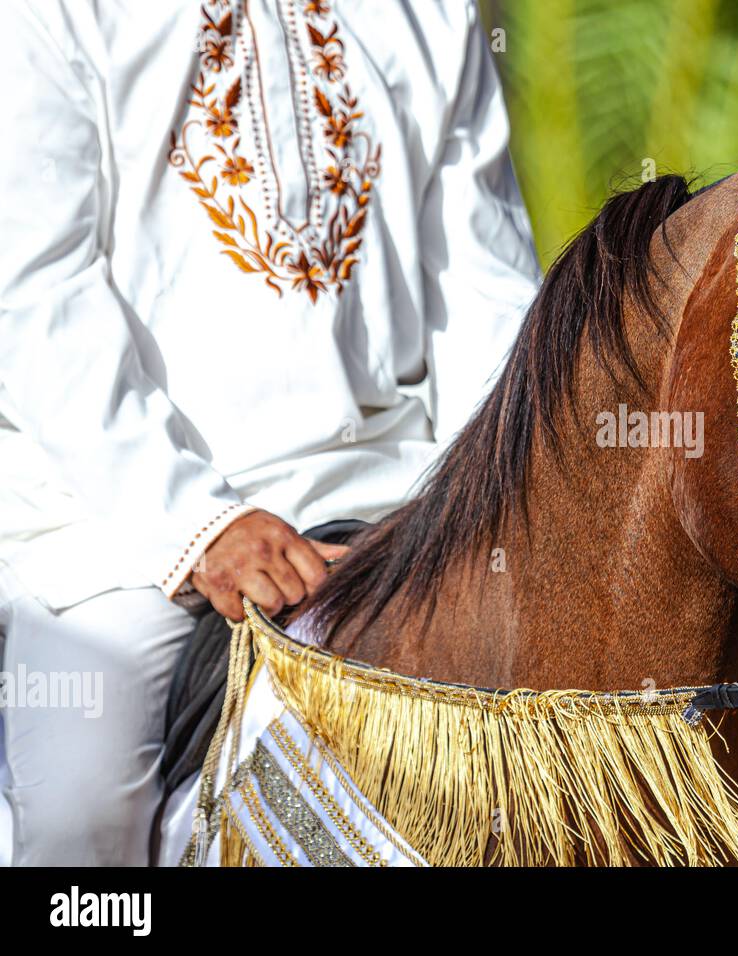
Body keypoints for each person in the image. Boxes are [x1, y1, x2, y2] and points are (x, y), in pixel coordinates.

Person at [0, 0, 540, 865]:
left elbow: (489, 300)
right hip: (122, 531)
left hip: (393, 503)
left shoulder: (434, 14)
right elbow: (34, 292)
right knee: (79, 810)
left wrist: (483, 516)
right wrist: (197, 526)